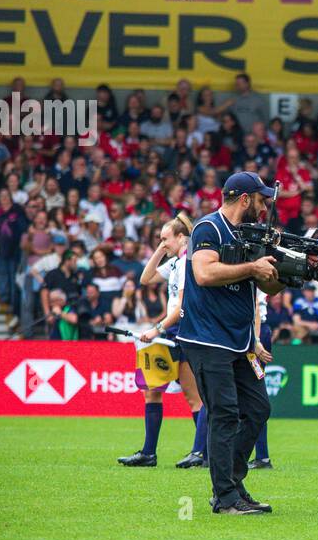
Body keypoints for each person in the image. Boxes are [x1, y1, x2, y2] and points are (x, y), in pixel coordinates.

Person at [178, 172, 284, 515]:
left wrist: (286, 266)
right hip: (206, 339)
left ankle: (233, 484)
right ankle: (225, 498)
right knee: (223, 415)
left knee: (258, 409)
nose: (266, 205)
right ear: (244, 199)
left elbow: (269, 288)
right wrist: (253, 266)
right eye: (262, 199)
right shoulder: (207, 228)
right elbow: (204, 274)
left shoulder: (250, 234)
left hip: (238, 341)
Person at [118, 214, 208, 469]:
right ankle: (149, 453)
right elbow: (145, 279)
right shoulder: (174, 263)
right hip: (169, 333)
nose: (162, 243)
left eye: (166, 238)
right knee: (151, 391)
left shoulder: (188, 264)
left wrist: (156, 329)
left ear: (182, 238)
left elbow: (181, 306)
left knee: (194, 398)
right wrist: (161, 248)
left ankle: (203, 452)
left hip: (182, 332)